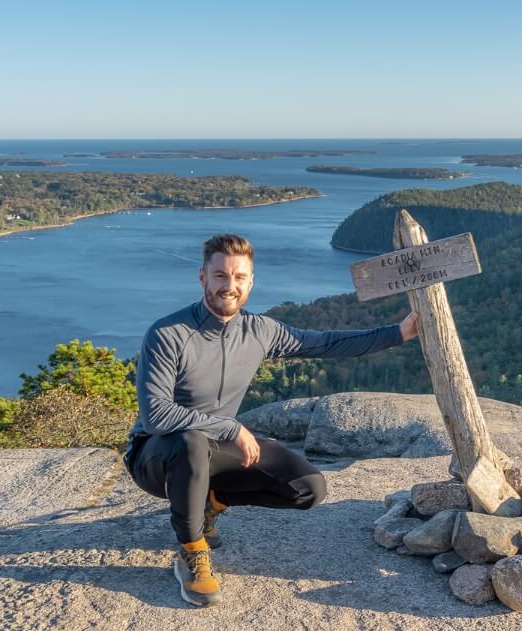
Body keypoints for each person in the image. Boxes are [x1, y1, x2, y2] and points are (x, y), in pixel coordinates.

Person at [123, 233, 419, 607]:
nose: (229, 286)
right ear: (202, 278)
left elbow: (327, 343)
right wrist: (233, 428)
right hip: (157, 456)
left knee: (308, 487)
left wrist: (399, 333)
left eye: (239, 277)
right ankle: (191, 551)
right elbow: (157, 414)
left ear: (251, 282)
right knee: (192, 440)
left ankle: (210, 501)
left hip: (213, 451)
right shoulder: (169, 334)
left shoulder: (259, 331)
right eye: (220, 276)